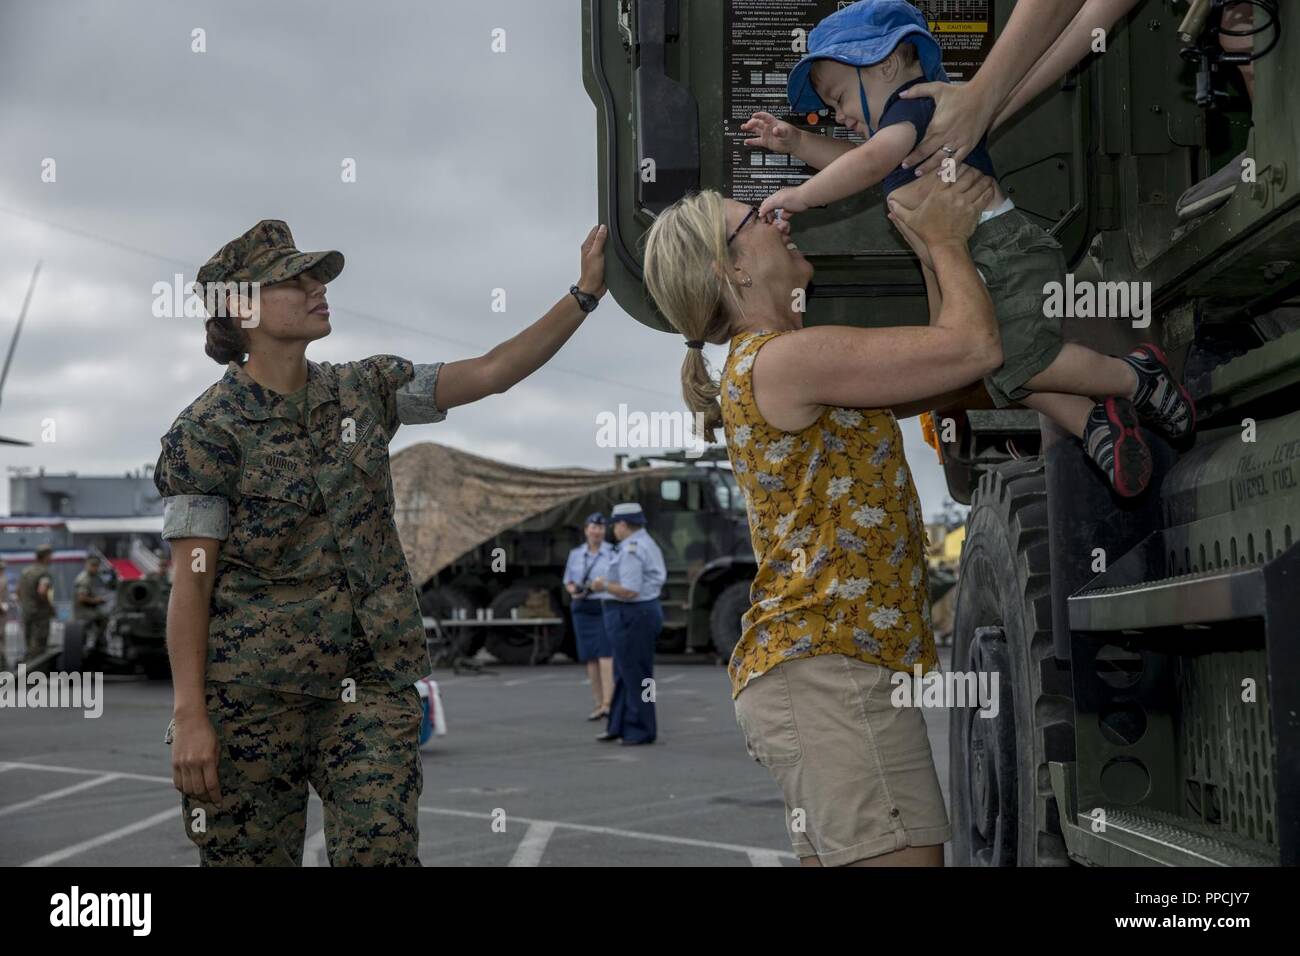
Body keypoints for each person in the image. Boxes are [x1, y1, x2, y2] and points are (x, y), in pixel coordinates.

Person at [157, 218, 606, 866]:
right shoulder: (207, 432)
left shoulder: (364, 390)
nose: (318, 288)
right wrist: (191, 716)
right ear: (242, 306)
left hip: (368, 693)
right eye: (296, 279)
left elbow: (493, 371)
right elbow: (191, 582)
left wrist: (583, 295)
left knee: (384, 857)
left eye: (318, 277)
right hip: (252, 700)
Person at [642, 164, 1000, 864]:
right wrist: (946, 237)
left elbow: (952, 369)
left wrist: (932, 247)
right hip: (830, 675)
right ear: (732, 271)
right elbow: (975, 347)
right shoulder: (783, 362)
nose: (780, 216)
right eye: (756, 219)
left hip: (826, 676)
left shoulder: (786, 363)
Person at [746, 0, 1195, 497]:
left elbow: (868, 163)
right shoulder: (896, 134)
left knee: (1024, 358)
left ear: (885, 62)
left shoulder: (915, 104)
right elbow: (858, 159)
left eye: (838, 98)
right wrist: (798, 144)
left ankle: (1133, 379)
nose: (838, 114)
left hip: (1002, 251)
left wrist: (802, 195)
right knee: (1000, 367)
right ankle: (1093, 423)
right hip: (977, 258)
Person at [589, 502, 666, 746]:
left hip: (632, 614)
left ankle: (641, 729)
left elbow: (630, 590)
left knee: (636, 675)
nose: (614, 530)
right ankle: (620, 724)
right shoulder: (643, 543)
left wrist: (602, 585)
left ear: (623, 525)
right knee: (623, 673)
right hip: (636, 615)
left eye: (615, 525)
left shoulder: (632, 549)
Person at [563, 512, 615, 720]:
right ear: (586, 530)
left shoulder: (613, 553)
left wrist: (602, 584)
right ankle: (597, 702)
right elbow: (568, 580)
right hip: (582, 607)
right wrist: (572, 589)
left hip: (603, 604)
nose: (597, 531)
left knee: (606, 654)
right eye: (593, 527)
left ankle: (608, 703)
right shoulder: (576, 554)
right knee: (590, 657)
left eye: (601, 528)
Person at [17, 545, 56, 664]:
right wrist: (49, 607)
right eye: (50, 556)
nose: (51, 559)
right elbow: (42, 591)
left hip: (26, 612)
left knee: (29, 644)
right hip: (40, 614)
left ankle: (27, 672)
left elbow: (18, 591)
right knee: (39, 645)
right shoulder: (43, 573)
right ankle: (36, 675)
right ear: (45, 557)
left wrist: (25, 604)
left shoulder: (26, 571)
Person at [73, 555, 111, 641]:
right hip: (83, 612)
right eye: (93, 565)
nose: (95, 568)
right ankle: (98, 641)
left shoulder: (93, 577)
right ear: (87, 565)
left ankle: (98, 640)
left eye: (97, 566)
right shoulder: (84, 579)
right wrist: (97, 600)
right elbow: (81, 598)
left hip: (89, 610)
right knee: (103, 618)